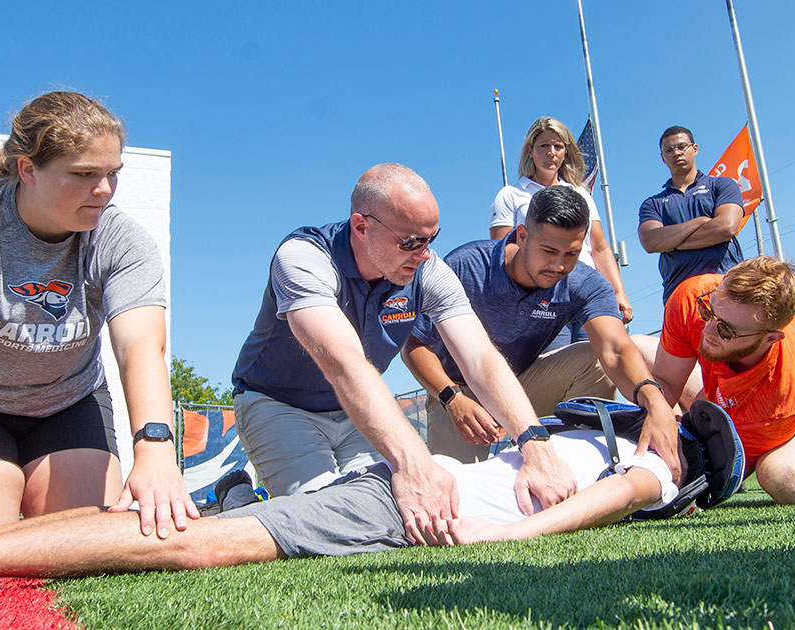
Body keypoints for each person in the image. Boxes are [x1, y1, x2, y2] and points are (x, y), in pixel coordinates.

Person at [0, 423, 686, 614]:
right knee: (202, 542)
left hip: (401, 504)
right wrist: (501, 534)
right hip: (402, 503)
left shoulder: (637, 462)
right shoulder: (641, 462)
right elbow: (569, 518)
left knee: (207, 538)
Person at [0, 91, 194, 590]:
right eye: (84, 174)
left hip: (68, 402)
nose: (104, 190)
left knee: (90, 549)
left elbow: (141, 347)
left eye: (113, 173)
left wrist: (156, 453)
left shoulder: (121, 240)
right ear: (27, 169)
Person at [230, 164, 577, 544]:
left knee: (389, 511)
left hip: (355, 410)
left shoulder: (427, 269)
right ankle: (236, 497)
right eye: (410, 241)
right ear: (362, 227)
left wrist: (535, 443)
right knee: (324, 519)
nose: (423, 255)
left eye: (431, 239)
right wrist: (414, 465)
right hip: (280, 404)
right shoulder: (303, 257)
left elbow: (480, 356)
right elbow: (343, 362)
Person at [403, 185, 681, 483]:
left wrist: (654, 400)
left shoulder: (584, 282)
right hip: (457, 391)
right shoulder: (466, 265)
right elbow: (414, 346)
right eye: (549, 251)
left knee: (594, 357)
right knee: (456, 487)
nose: (559, 265)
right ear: (522, 236)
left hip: (521, 384)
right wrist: (451, 399)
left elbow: (615, 348)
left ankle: (572, 455)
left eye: (571, 253)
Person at [652, 256, 795, 505]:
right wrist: (655, 421)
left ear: (769, 339)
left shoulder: (785, 387)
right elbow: (665, 381)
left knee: (784, 478)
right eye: (708, 311)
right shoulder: (693, 295)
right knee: (636, 352)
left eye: (726, 331)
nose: (707, 330)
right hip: (729, 389)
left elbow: (724, 467)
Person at [488, 116, 633, 323]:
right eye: (544, 146)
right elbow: (503, 252)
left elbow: (599, 247)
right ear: (530, 151)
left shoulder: (581, 195)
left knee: (599, 353)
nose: (551, 153)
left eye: (558, 146)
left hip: (585, 291)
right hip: (539, 298)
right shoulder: (510, 195)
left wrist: (618, 292)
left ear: (565, 151)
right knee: (554, 355)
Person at [638, 126, 747, 303]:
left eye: (682, 147)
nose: (676, 153)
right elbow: (651, 242)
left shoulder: (722, 186)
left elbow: (727, 227)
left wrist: (671, 244)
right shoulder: (653, 204)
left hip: (725, 287)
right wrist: (700, 222)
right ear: (662, 157)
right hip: (678, 293)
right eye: (669, 150)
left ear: (694, 149)